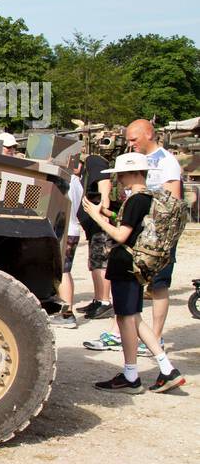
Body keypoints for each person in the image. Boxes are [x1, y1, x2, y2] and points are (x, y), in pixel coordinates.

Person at [81, 152, 184, 393]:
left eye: (122, 175)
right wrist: (110, 215)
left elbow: (121, 235)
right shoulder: (148, 198)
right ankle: (166, 368)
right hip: (136, 265)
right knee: (134, 318)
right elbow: (134, 225)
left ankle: (132, 375)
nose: (119, 180)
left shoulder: (136, 199)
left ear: (135, 173)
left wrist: (97, 216)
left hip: (125, 264)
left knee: (127, 318)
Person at [126, 117, 183, 342]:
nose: (131, 143)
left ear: (148, 134)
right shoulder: (137, 160)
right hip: (138, 231)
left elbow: (173, 200)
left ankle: (156, 336)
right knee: (131, 280)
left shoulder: (166, 162)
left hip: (159, 234)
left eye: (134, 138)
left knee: (158, 285)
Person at [77, 143, 115, 321]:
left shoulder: (94, 161)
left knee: (102, 263)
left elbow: (104, 182)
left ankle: (105, 302)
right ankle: (98, 299)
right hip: (93, 225)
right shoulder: (86, 167)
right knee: (95, 263)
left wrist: (104, 210)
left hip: (100, 224)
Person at [50, 153, 84, 328]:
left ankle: (67, 314)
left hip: (64, 229)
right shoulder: (76, 180)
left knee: (63, 272)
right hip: (72, 228)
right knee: (66, 271)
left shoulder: (63, 180)